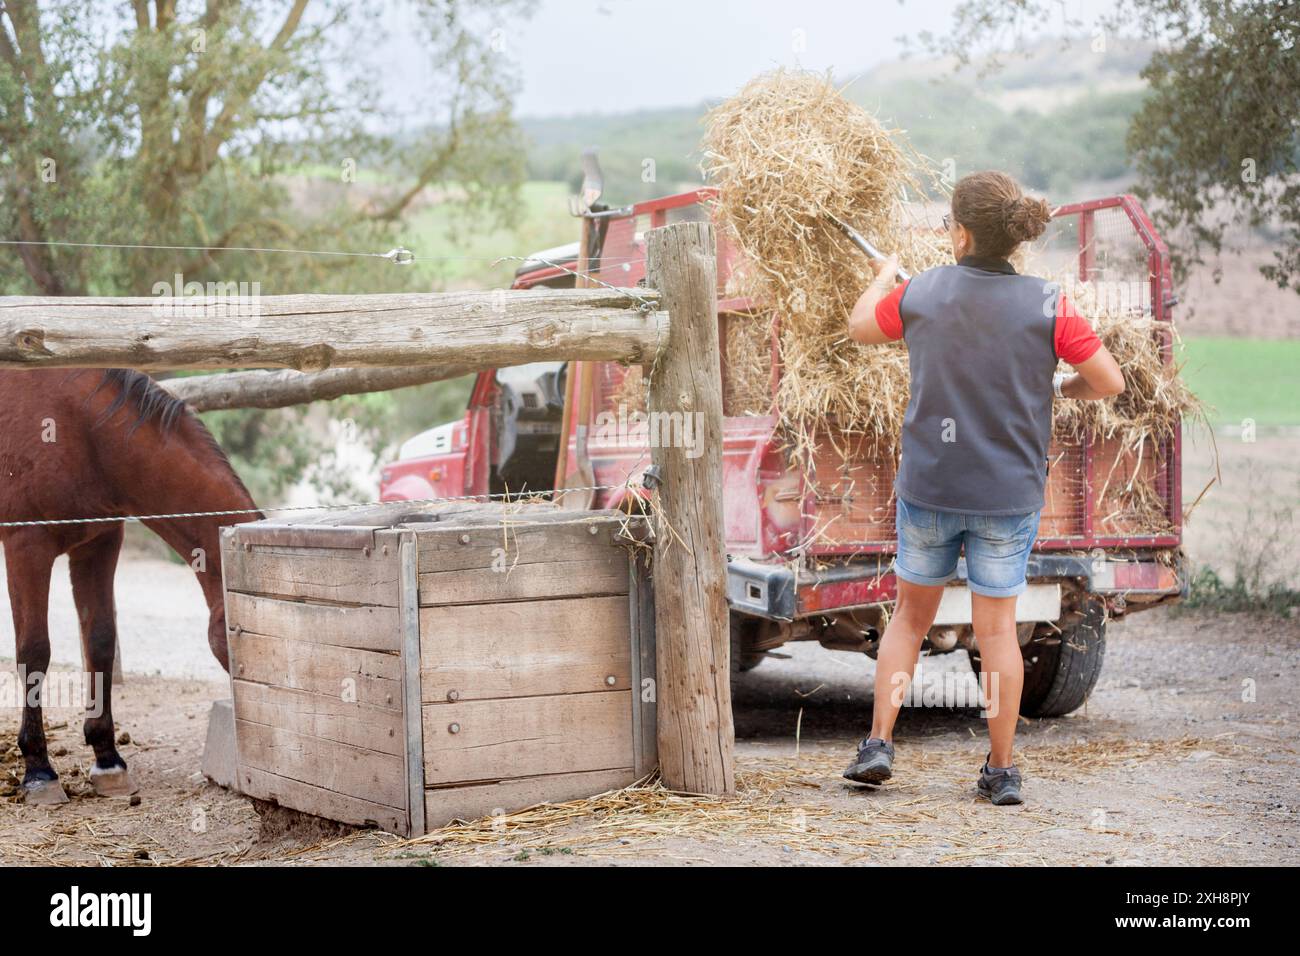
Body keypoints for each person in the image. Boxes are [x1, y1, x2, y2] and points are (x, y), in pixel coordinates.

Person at [841, 170, 1126, 805]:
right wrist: (1063, 387)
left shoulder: (922, 293)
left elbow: (861, 327)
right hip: (1007, 495)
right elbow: (1107, 381)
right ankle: (1000, 771)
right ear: (1014, 237)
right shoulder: (1050, 303)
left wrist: (884, 277)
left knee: (910, 619)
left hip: (930, 488)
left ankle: (878, 745)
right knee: (996, 632)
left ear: (961, 232)